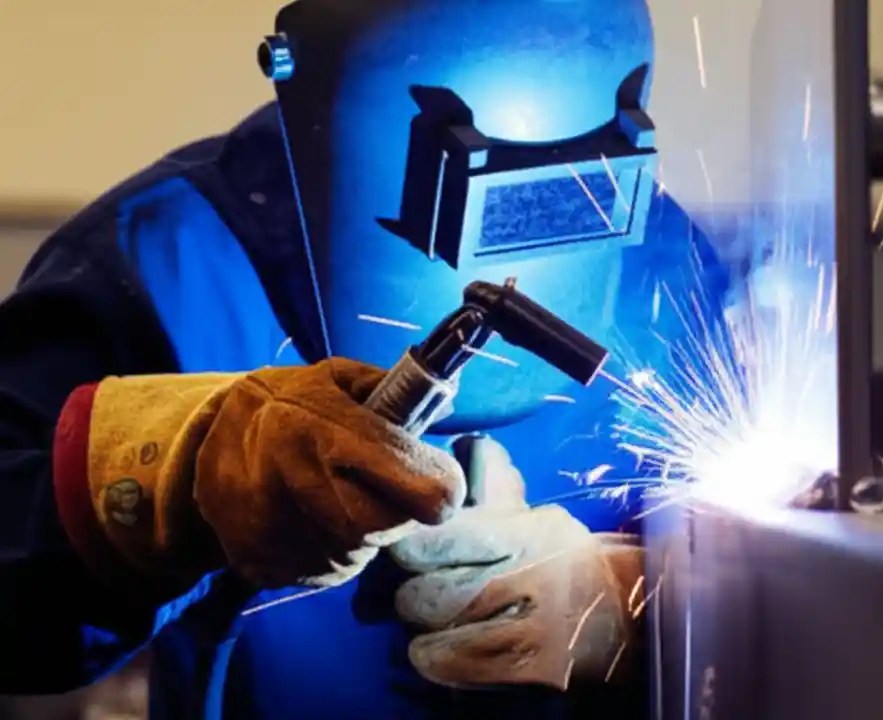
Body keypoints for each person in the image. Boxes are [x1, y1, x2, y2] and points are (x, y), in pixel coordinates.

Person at [0, 0, 727, 717]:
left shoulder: (666, 261)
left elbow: (791, 570)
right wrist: (181, 479)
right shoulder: (169, 259)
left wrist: (641, 608)